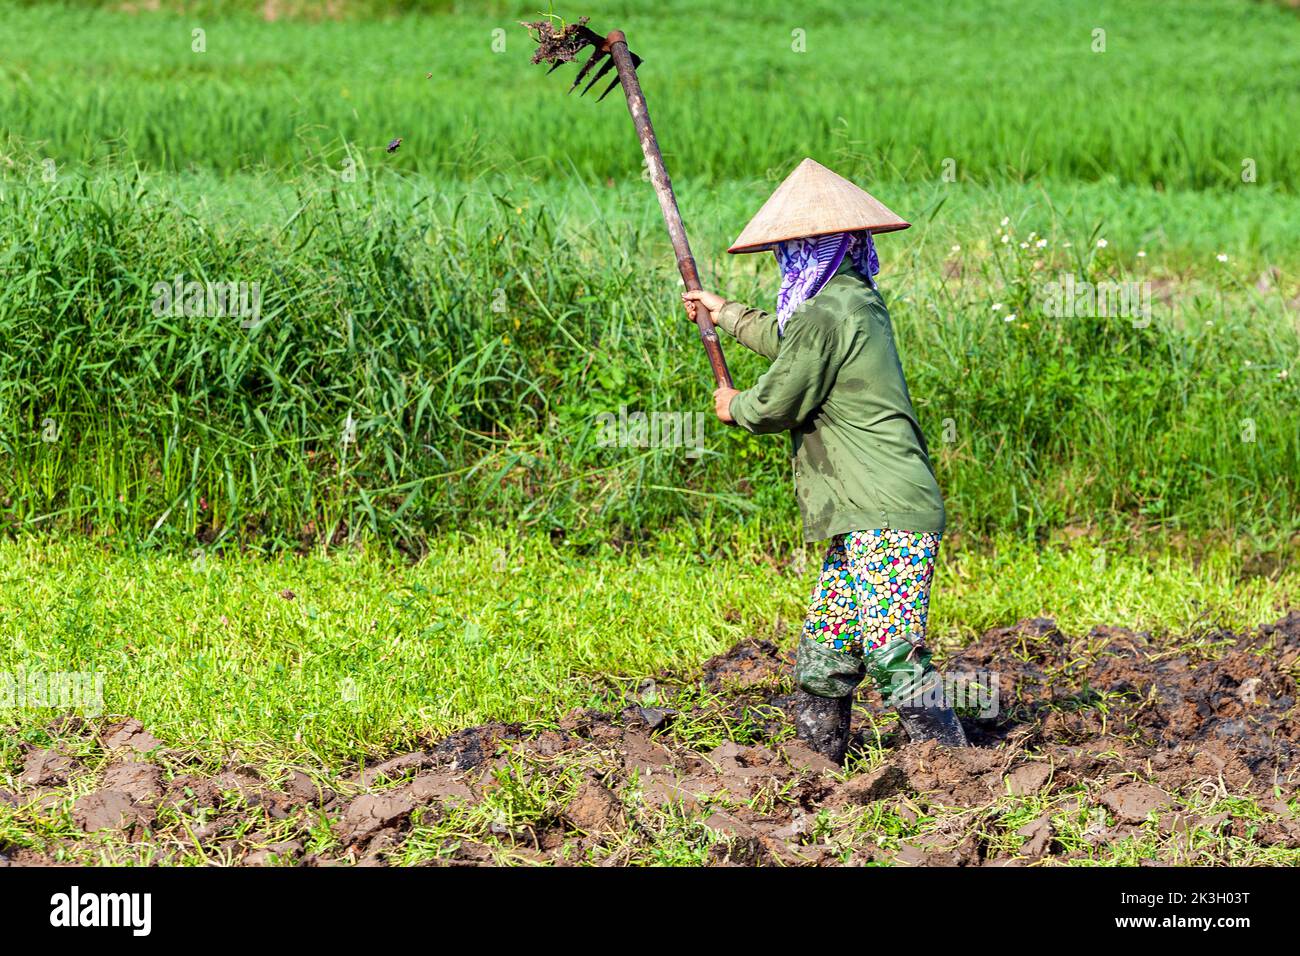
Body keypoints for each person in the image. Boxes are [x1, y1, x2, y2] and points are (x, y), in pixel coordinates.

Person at [682, 158, 968, 763]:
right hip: (860, 510)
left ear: (813, 248)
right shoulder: (849, 299)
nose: (787, 261)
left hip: (885, 511)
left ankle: (954, 770)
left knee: (891, 648)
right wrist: (723, 310)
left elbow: (779, 399)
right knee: (829, 648)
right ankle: (817, 765)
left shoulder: (827, 312)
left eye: (793, 249)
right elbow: (791, 342)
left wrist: (738, 405)